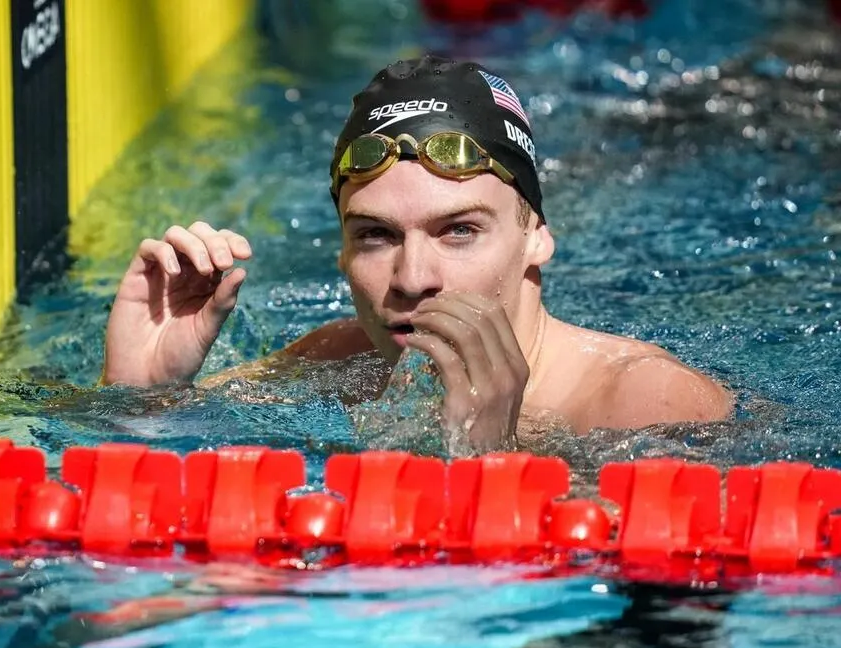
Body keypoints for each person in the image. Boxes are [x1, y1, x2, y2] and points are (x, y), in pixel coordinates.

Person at [100, 54, 734, 454]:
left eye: (458, 230)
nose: (413, 278)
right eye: (376, 235)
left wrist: (491, 457)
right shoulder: (334, 361)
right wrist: (137, 393)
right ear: (342, 254)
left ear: (535, 236)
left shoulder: (651, 406)